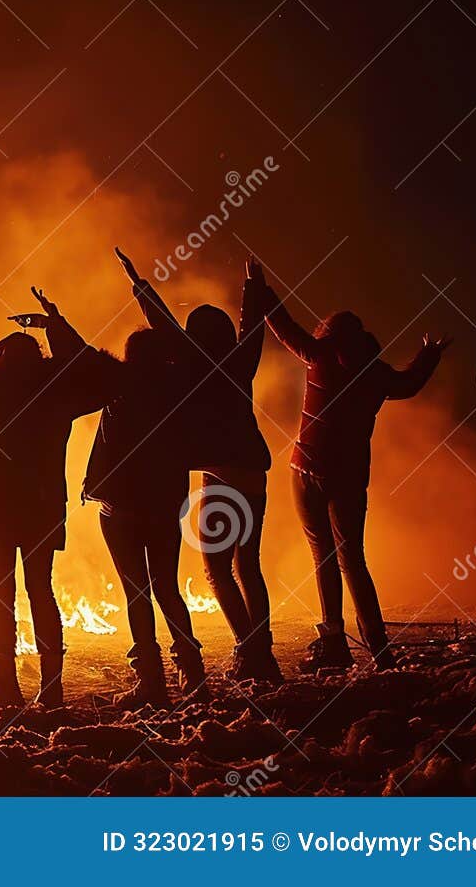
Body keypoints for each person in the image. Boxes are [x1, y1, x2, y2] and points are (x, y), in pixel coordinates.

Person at [253, 264, 449, 671]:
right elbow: (409, 384)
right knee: (352, 560)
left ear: (329, 333)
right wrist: (429, 354)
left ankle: (334, 642)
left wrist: (261, 289)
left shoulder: (320, 356)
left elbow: (284, 328)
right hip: (348, 478)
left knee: (322, 558)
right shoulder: (377, 374)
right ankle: (379, 649)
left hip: (305, 470)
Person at [116, 250, 282, 683]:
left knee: (218, 569)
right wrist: (253, 288)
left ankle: (250, 651)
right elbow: (253, 329)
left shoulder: (189, 363)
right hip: (251, 472)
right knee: (249, 566)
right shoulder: (240, 362)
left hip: (219, 474)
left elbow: (165, 327)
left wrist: (139, 284)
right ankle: (262, 653)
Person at [0, 286, 115, 711]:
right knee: (41, 591)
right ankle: (52, 689)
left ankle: (6, 687)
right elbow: (99, 372)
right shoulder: (58, 393)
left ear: (0, 362)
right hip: (42, 507)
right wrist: (54, 326)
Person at [84, 260, 203, 709]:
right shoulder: (178, 386)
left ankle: (151, 681)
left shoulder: (120, 383)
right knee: (166, 586)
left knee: (137, 591)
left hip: (120, 508)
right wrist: (142, 291)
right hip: (164, 504)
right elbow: (180, 343)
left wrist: (52, 322)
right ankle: (191, 670)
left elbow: (83, 354)